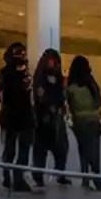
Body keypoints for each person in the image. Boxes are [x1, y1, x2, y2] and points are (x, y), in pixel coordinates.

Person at [31, 49, 71, 187]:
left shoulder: (58, 78)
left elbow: (61, 94)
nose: (55, 66)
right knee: (40, 151)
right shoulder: (40, 78)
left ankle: (61, 174)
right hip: (42, 120)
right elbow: (40, 96)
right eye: (52, 62)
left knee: (62, 148)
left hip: (56, 121)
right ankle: (38, 177)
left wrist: (61, 103)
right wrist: (49, 106)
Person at [65, 56, 101, 191]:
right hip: (93, 121)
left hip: (79, 122)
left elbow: (67, 105)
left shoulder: (70, 87)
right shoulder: (91, 83)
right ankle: (97, 180)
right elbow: (99, 102)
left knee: (82, 150)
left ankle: (85, 179)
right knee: (94, 151)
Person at [0, 42, 34, 192]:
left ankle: (15, 177)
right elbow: (6, 93)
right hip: (13, 116)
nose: (22, 57)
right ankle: (11, 177)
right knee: (12, 149)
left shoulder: (23, 73)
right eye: (19, 54)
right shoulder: (7, 74)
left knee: (20, 149)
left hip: (21, 116)